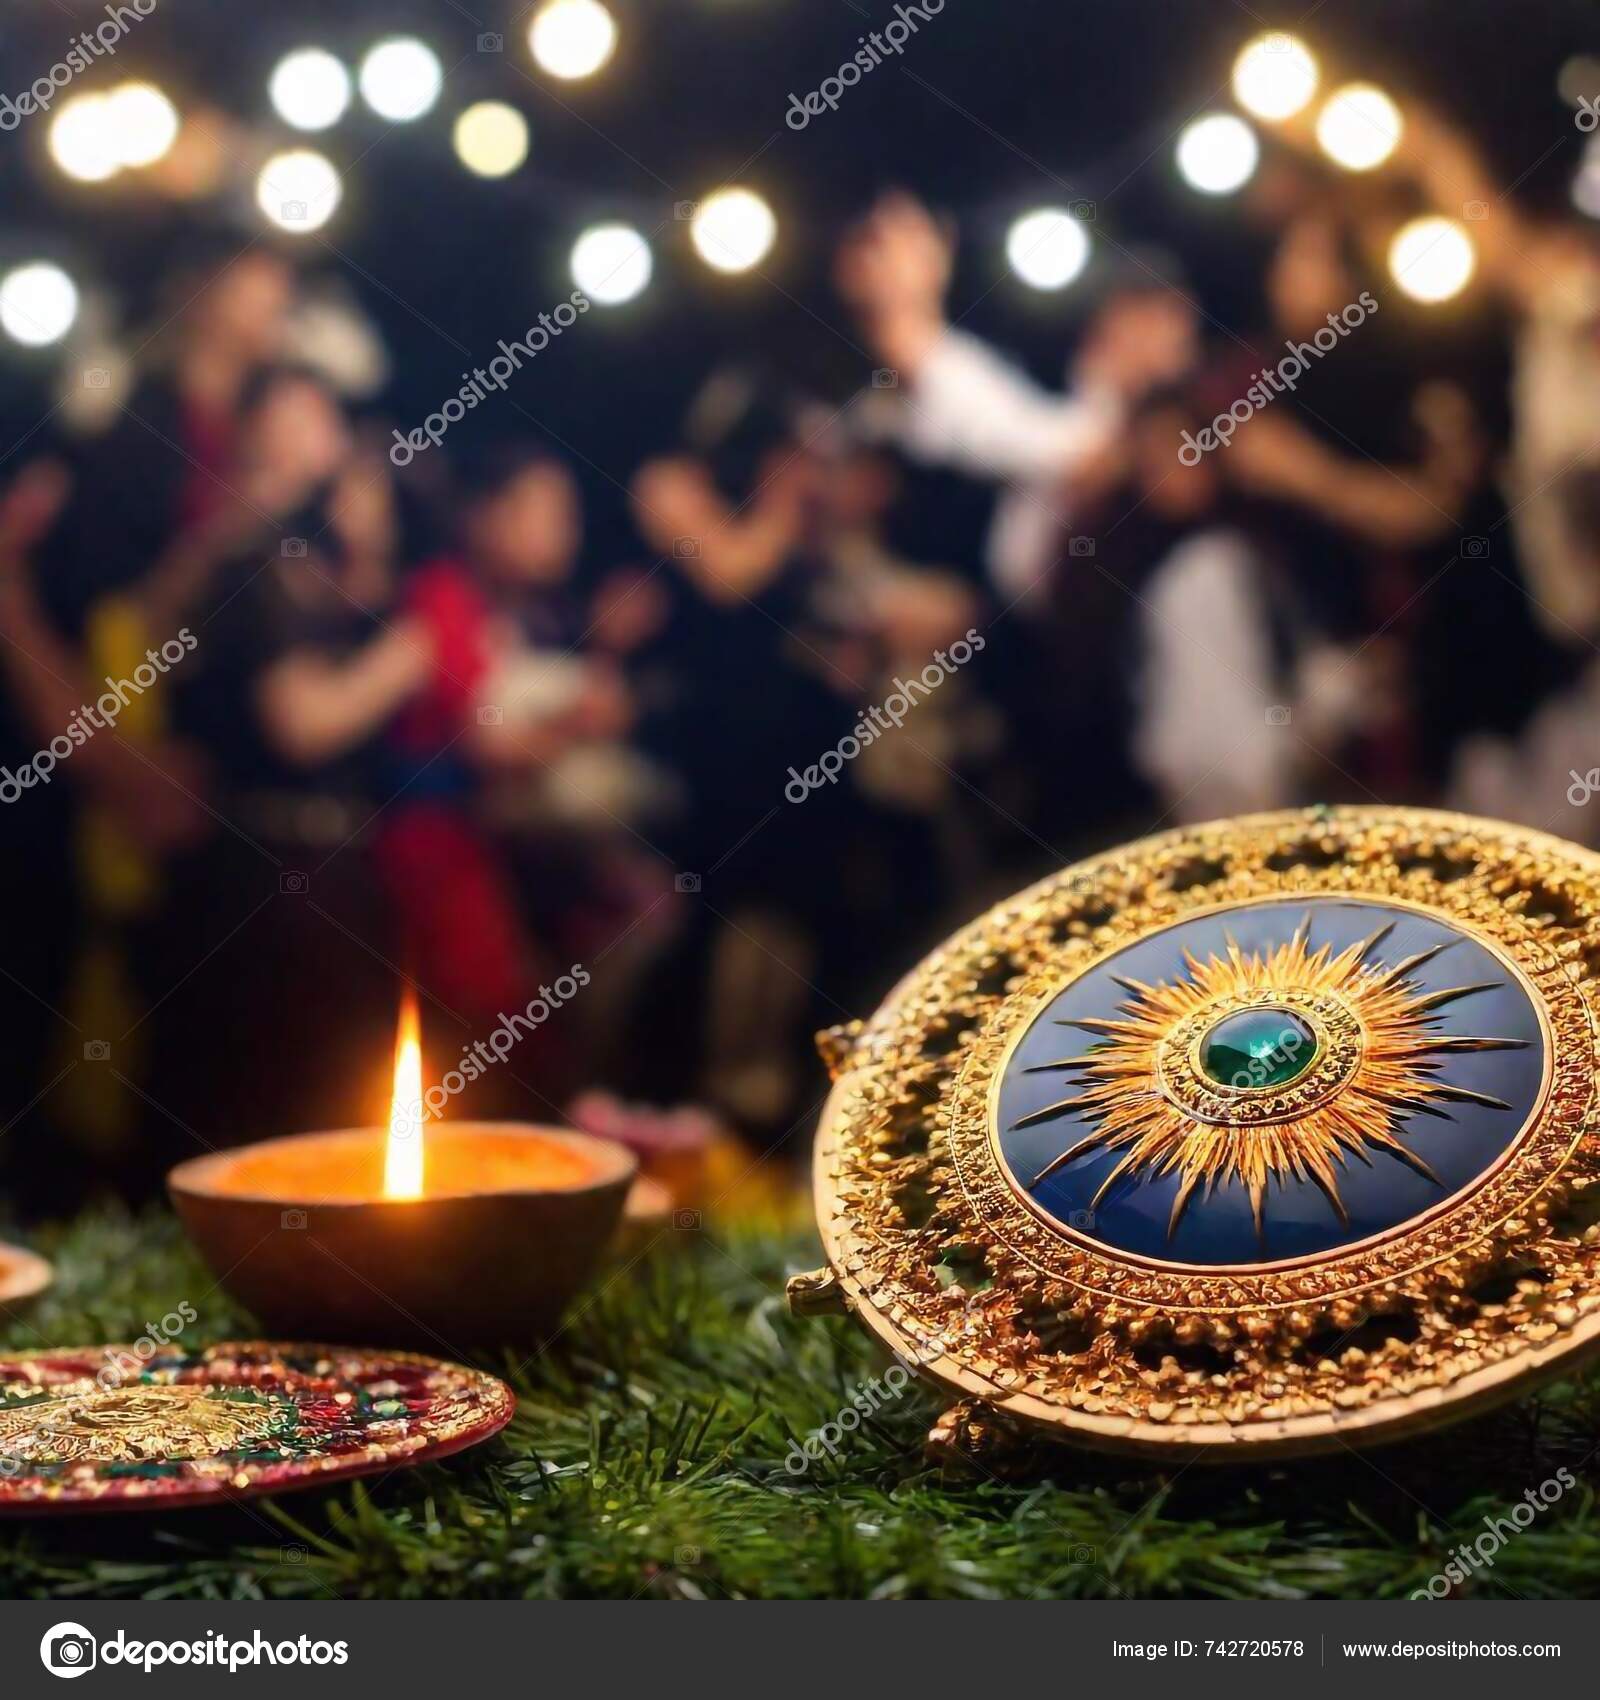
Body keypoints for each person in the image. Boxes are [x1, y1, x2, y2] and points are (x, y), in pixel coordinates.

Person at [835, 192, 1198, 606]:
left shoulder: (1204, 421)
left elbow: (1073, 457)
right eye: (1145, 316)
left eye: (1174, 318)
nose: (1166, 336)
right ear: (1105, 324)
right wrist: (901, 312)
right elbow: (1022, 437)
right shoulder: (1070, 407)